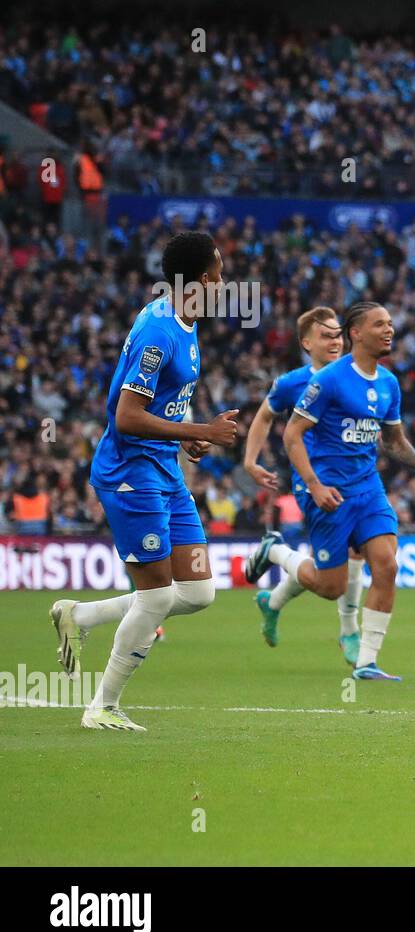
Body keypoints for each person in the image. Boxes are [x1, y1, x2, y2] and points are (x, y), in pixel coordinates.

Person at [49, 231, 239, 730]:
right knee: (155, 598)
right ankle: (102, 707)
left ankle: (81, 617)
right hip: (131, 475)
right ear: (202, 279)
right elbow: (127, 417)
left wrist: (186, 439)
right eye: (220, 272)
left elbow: (160, 405)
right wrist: (202, 431)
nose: (226, 281)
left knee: (198, 593)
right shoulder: (160, 331)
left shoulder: (184, 320)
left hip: (164, 470)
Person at [245, 302, 415, 681]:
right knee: (331, 587)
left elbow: (393, 442)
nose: (389, 330)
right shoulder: (326, 381)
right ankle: (275, 551)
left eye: (391, 324)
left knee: (387, 564)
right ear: (356, 333)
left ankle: (366, 662)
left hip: (368, 489)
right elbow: (291, 433)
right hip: (329, 493)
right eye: (380, 324)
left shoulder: (389, 383)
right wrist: (313, 485)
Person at [243, 306, 367, 664]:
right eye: (325, 335)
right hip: (315, 483)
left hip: (355, 478)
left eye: (338, 334)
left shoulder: (358, 374)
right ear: (306, 342)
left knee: (327, 568)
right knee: (348, 559)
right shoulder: (292, 384)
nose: (335, 341)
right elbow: (265, 416)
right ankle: (349, 631)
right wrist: (251, 462)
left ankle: (273, 587)